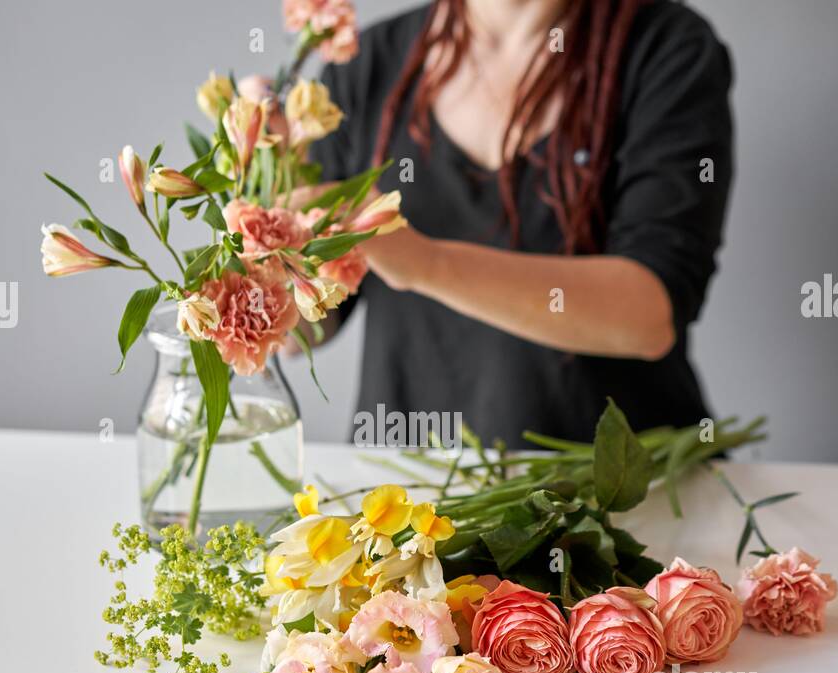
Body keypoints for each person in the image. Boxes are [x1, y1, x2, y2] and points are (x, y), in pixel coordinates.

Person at [303, 0, 734, 450]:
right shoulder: (365, 63)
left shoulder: (666, 48)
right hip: (406, 488)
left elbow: (649, 314)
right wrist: (273, 223)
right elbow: (315, 324)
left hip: (618, 486)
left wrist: (424, 262)